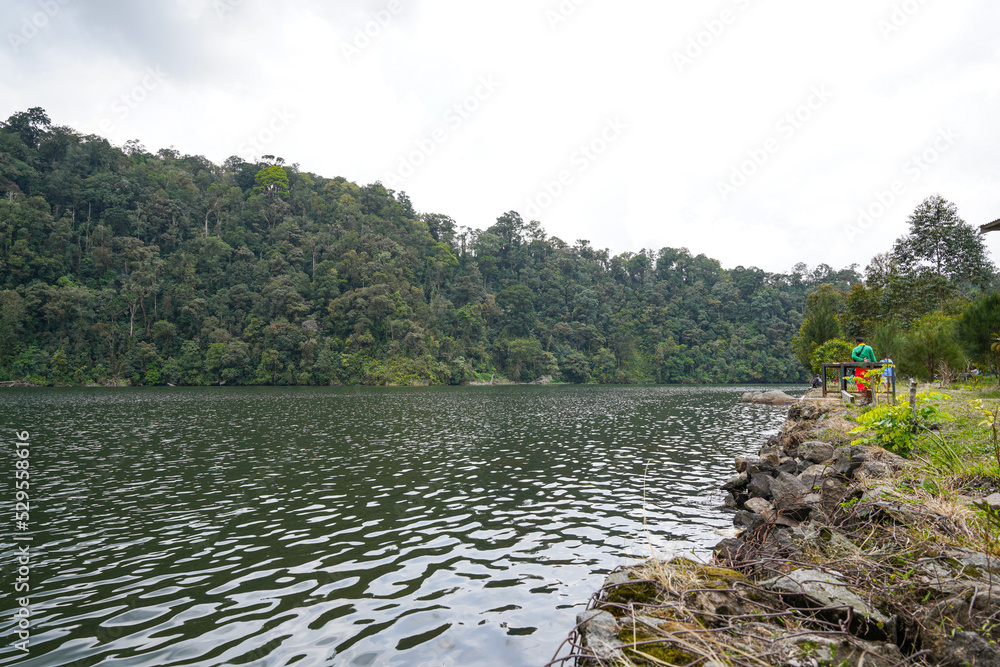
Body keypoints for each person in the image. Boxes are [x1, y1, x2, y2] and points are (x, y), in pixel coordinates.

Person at [851, 337, 877, 404]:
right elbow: (873, 358)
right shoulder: (869, 348)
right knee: (868, 381)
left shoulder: (855, 349)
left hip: (859, 368)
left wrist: (861, 360)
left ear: (857, 342)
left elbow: (853, 356)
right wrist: (876, 366)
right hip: (868, 368)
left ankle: (863, 395)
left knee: (860, 381)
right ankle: (869, 397)